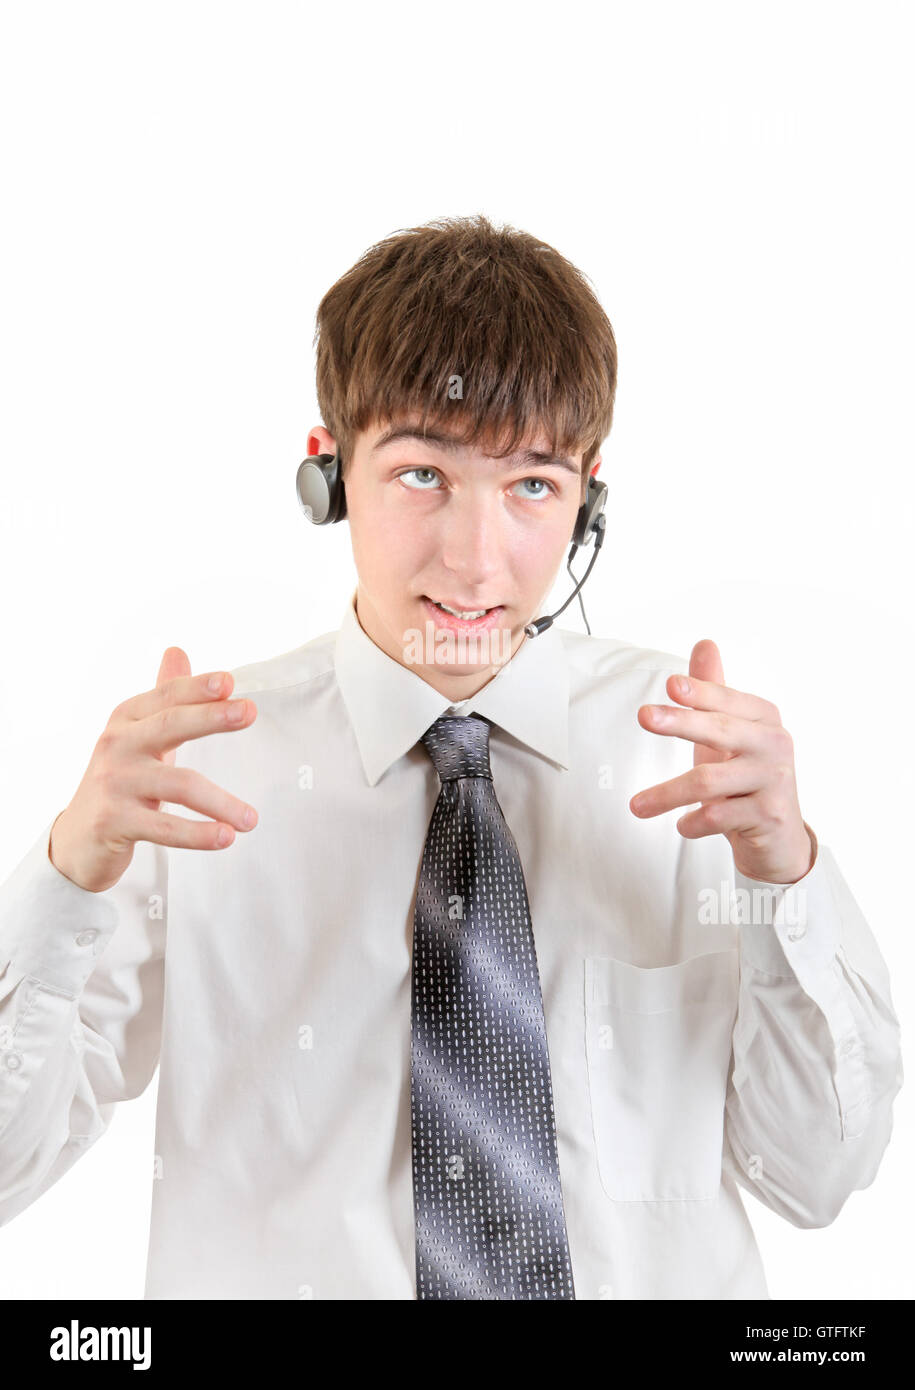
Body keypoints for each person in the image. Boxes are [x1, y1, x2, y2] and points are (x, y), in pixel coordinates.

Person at [0, 215, 903, 1300]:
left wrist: (783, 873)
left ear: (589, 500)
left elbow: (819, 1179)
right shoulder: (198, 771)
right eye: (423, 473)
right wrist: (68, 876)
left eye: (532, 487)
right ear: (325, 473)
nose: (476, 559)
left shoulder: (691, 762)